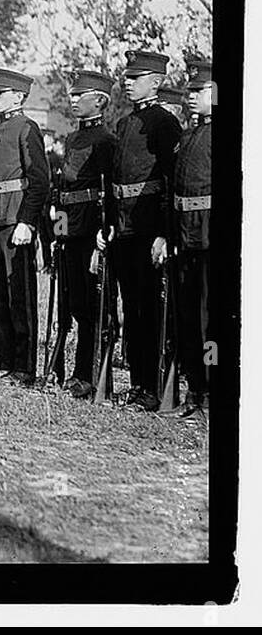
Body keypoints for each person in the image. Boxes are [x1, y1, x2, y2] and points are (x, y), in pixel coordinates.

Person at [98, 49, 182, 411]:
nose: (127, 83)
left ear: (157, 82)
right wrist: (109, 226)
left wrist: (165, 233)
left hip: (149, 231)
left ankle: (153, 386)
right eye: (127, 77)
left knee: (150, 310)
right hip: (124, 230)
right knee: (131, 309)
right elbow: (114, 183)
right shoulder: (124, 123)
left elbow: (171, 182)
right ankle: (137, 383)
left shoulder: (165, 123)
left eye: (135, 78)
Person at [49, 69, 116, 398]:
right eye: (72, 95)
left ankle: (89, 375)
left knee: (92, 308)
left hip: (91, 234)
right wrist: (58, 235)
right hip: (70, 233)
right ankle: (72, 373)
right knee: (73, 304)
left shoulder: (106, 141)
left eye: (80, 95)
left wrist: (101, 240)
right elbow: (62, 192)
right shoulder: (72, 139)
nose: (73, 100)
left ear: (99, 101)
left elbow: (109, 194)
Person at [0, 67, 50, 383]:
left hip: (15, 223)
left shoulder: (27, 128)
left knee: (19, 296)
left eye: (1, 93)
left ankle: (24, 367)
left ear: (19, 97)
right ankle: (3, 361)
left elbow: (39, 181)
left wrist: (27, 222)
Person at [168, 54, 212, 419]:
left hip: (211, 235)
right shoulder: (188, 136)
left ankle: (211, 391)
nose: (191, 96)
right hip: (186, 234)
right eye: (191, 91)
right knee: (187, 316)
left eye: (200, 90)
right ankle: (195, 390)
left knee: (210, 319)